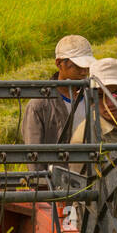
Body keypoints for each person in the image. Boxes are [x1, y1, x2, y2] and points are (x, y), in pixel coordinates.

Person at [21, 35, 95, 167]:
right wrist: (42, 184)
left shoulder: (94, 98)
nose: (84, 72)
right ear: (59, 63)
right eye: (78, 66)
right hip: (56, 180)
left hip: (91, 176)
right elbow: (33, 155)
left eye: (87, 66)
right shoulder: (39, 105)